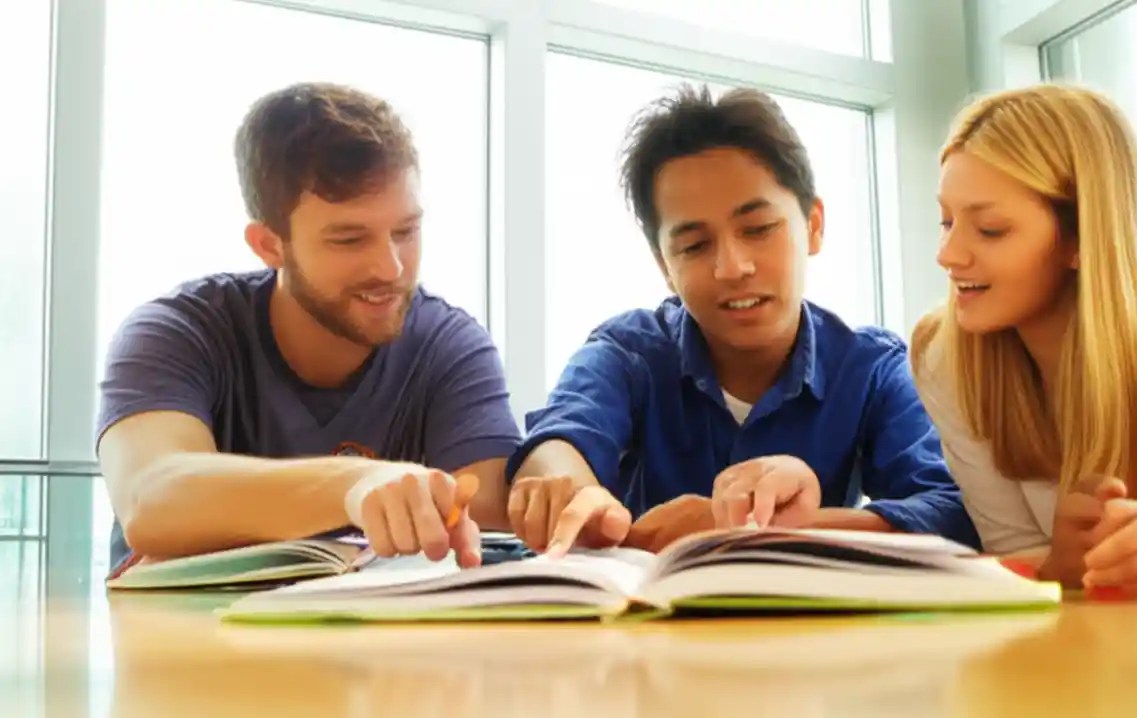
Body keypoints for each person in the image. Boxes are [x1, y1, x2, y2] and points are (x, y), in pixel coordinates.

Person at [505, 84, 979, 556]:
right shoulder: (629, 353)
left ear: (813, 225)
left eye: (758, 229)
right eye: (694, 246)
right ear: (664, 266)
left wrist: (757, 530)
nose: (732, 267)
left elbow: (951, 513)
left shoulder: (873, 367)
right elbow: (559, 441)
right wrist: (570, 491)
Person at [97, 83, 521, 576]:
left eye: (405, 231)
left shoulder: (451, 346)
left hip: (377, 647)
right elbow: (152, 499)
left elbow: (489, 517)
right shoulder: (175, 332)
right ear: (269, 245)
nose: (391, 267)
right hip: (186, 644)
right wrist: (356, 486)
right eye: (349, 238)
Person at [907, 84, 1137, 595]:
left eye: (990, 229)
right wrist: (1062, 563)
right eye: (946, 221)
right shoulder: (946, 357)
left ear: (1083, 236)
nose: (947, 255)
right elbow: (1012, 552)